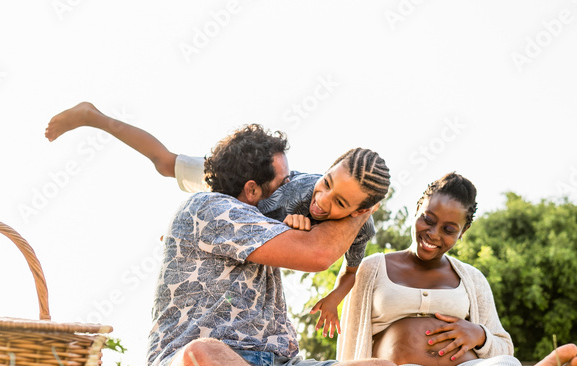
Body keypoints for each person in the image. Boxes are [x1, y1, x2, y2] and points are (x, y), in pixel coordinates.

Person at [51, 118, 461, 366]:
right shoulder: (207, 206)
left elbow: (326, 225)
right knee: (203, 357)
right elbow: (319, 255)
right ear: (252, 190)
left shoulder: (274, 213)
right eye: (283, 183)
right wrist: (361, 209)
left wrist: (358, 196)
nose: (299, 190)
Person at [45, 101, 373, 337]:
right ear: (255, 190)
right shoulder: (264, 184)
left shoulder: (324, 208)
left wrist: (333, 295)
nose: (317, 197)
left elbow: (338, 259)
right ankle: (93, 115)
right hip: (240, 179)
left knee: (168, 169)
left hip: (248, 201)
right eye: (284, 181)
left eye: (342, 203)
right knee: (164, 162)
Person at [336, 172, 577, 366]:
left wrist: (479, 335)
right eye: (428, 219)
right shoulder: (370, 268)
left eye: (448, 229)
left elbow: (503, 345)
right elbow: (349, 340)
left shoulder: (472, 278)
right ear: (417, 208)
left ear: (463, 231)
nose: (433, 234)